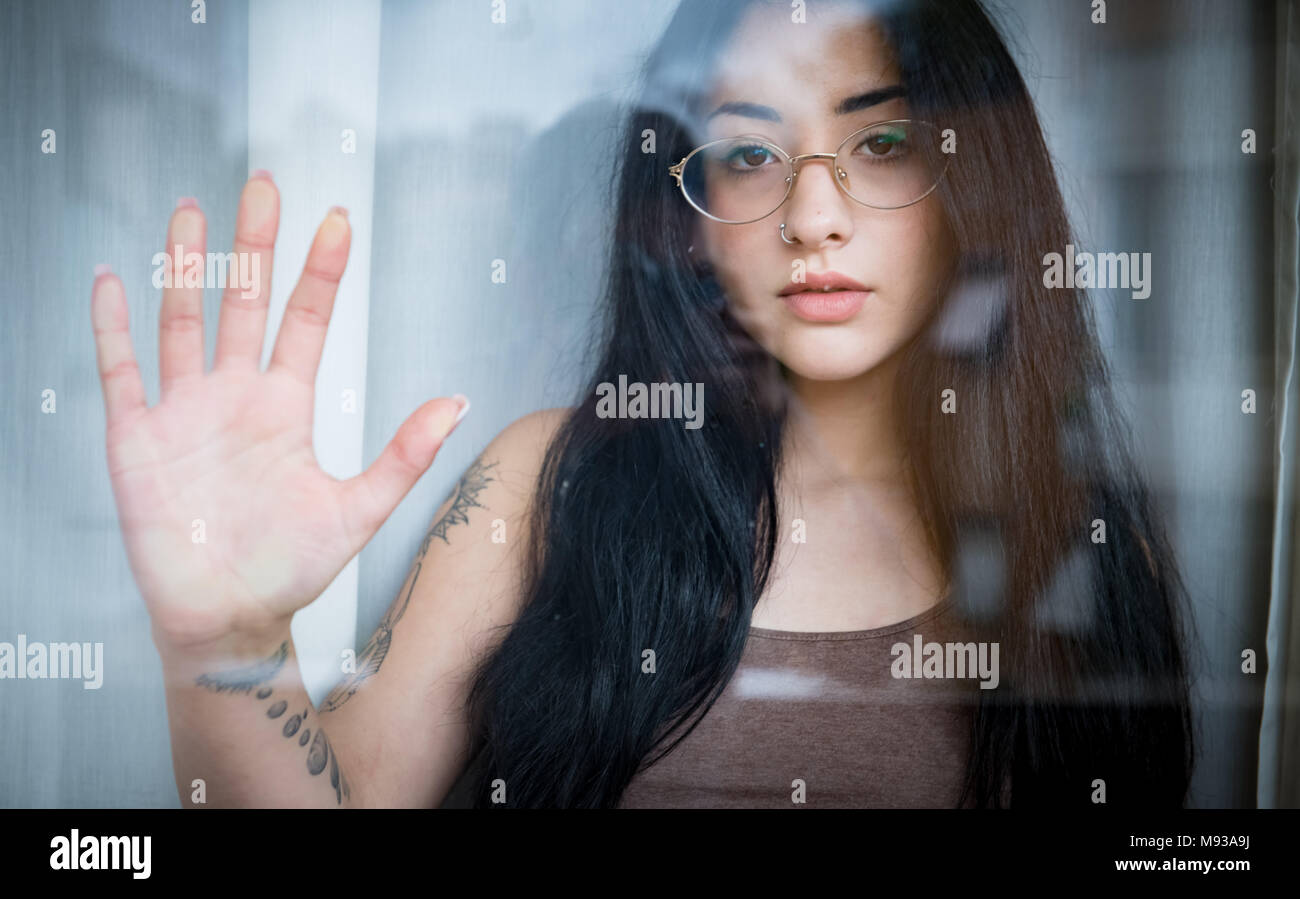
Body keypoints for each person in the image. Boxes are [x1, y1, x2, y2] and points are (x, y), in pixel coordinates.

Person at [89, 0, 1195, 808]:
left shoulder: (1078, 535)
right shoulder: (544, 484)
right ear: (691, 217)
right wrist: (227, 645)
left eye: (882, 141)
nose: (814, 212)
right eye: (750, 153)